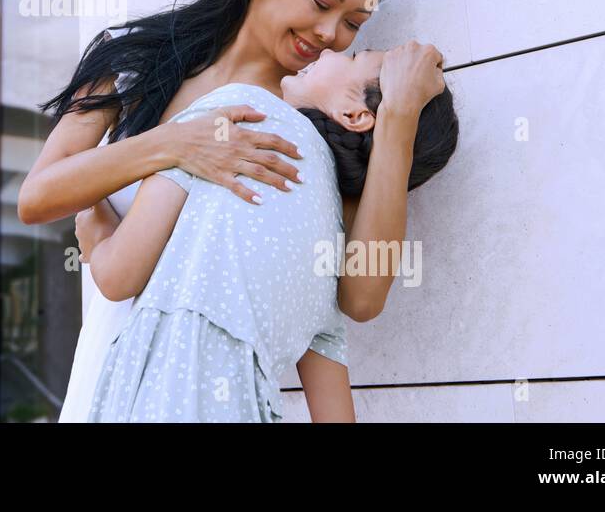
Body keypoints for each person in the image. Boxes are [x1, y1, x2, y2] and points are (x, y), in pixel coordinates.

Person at [83, 48, 458, 422]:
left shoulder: (243, 115)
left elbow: (119, 274)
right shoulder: (330, 259)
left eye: (355, 56)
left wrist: (94, 221)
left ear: (356, 114)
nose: (329, 48)